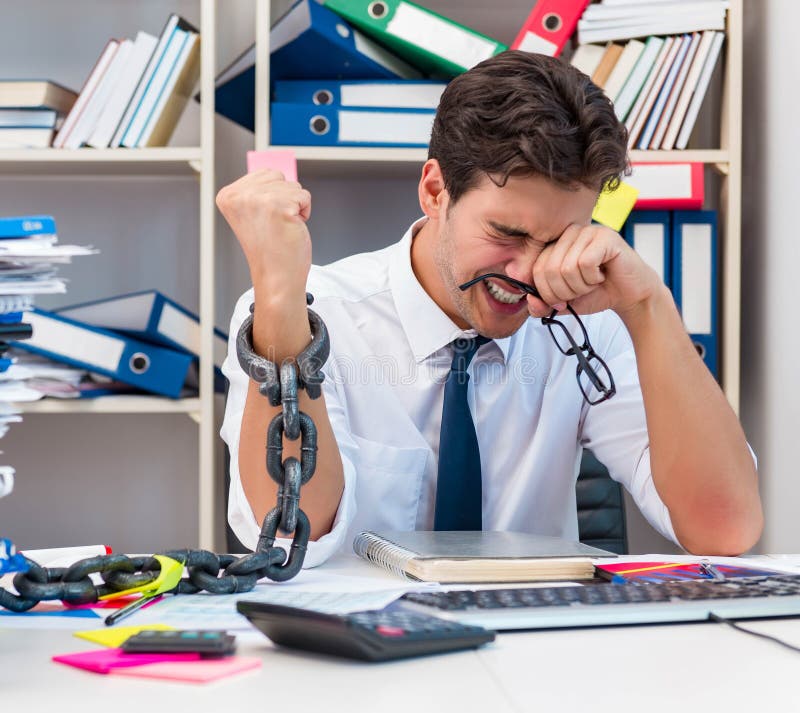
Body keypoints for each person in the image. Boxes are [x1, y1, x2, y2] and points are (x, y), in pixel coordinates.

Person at [216, 51, 762, 565]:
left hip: (535, 649)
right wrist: (280, 297)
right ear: (435, 192)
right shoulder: (309, 315)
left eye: (559, 240)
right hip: (354, 653)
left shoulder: (593, 320)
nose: (527, 272)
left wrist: (648, 305)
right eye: (507, 233)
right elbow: (291, 528)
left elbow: (725, 529)